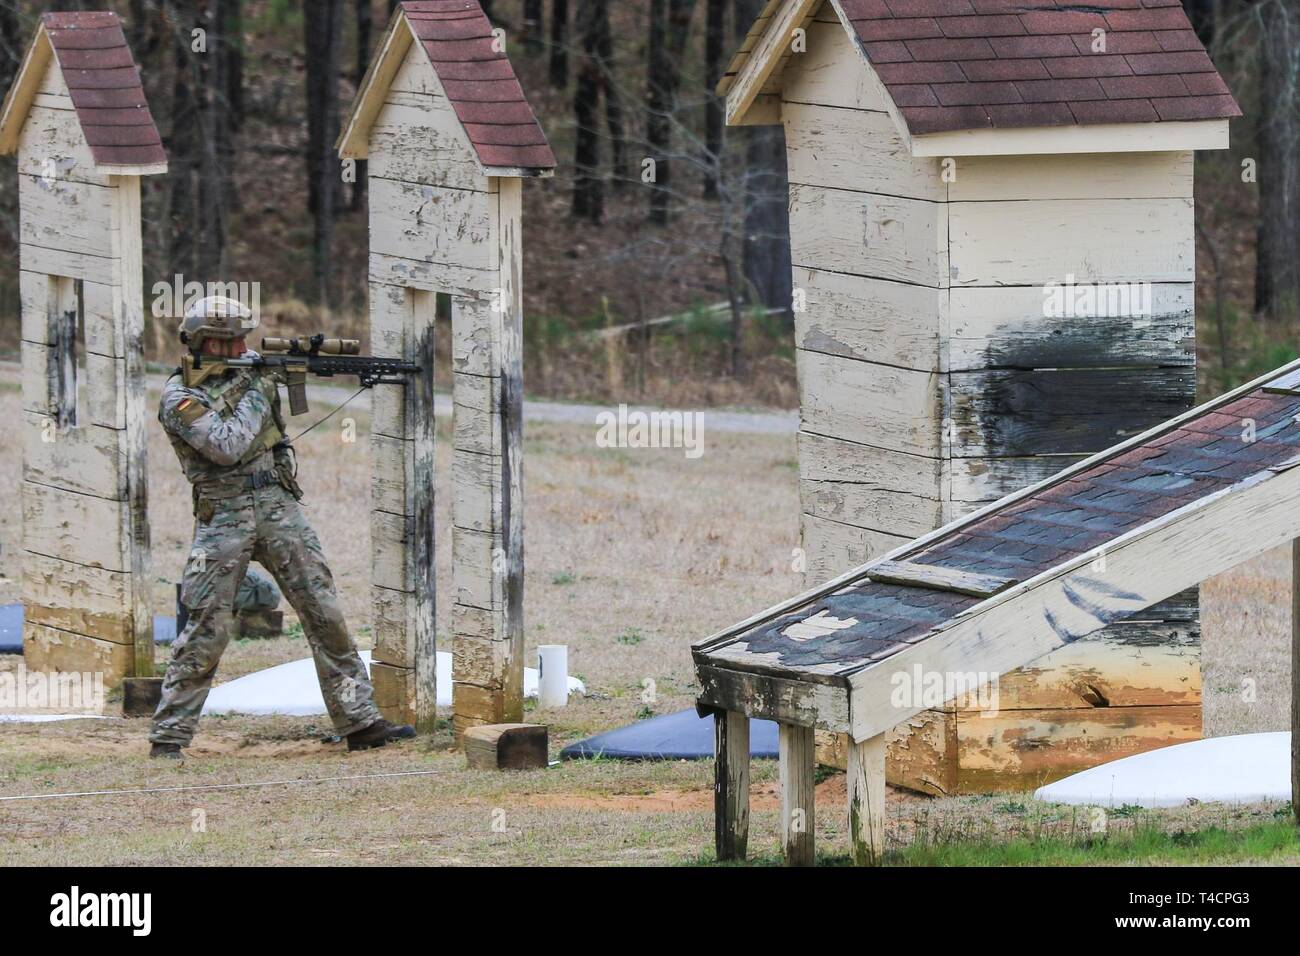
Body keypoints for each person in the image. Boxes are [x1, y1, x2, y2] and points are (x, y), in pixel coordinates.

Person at [148, 295, 414, 758]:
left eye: (239, 341)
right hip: (223, 514)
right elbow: (226, 446)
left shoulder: (251, 373)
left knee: (323, 611)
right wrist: (259, 388)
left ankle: (360, 722)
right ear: (200, 342)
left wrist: (271, 381)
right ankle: (169, 737)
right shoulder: (181, 397)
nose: (236, 351)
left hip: (277, 505)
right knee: (207, 627)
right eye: (224, 343)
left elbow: (272, 433)